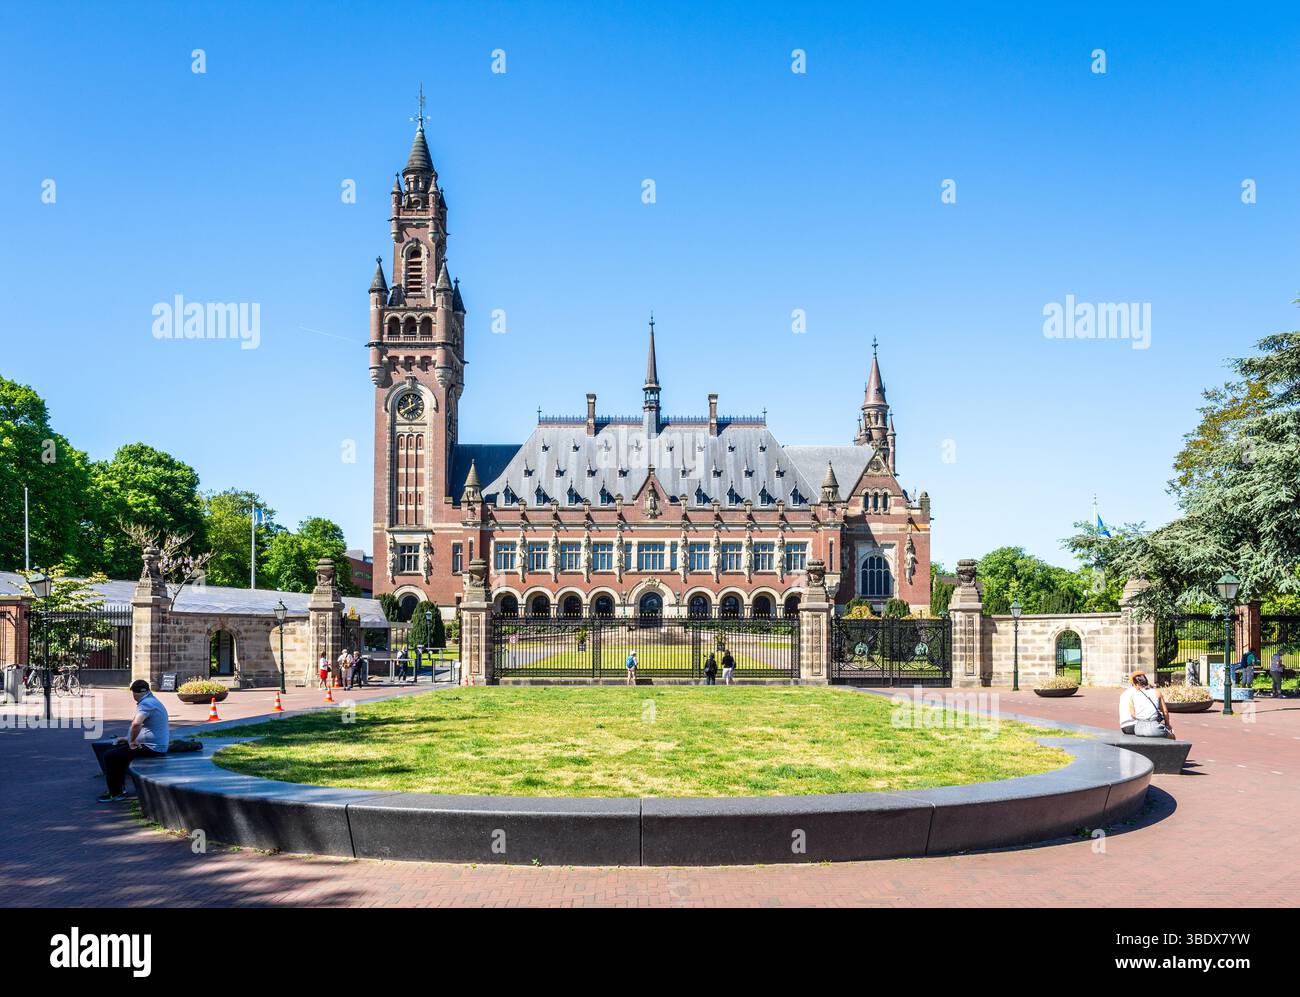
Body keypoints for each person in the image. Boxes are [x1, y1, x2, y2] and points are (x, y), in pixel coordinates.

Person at [98, 680, 170, 802]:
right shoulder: (152, 700)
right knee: (118, 752)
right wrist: (126, 739)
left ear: (134, 693)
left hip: (152, 747)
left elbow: (136, 724)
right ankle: (120, 788)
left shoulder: (146, 704)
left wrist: (131, 742)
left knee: (110, 756)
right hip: (154, 745)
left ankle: (115, 793)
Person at [1118, 672, 1174, 740]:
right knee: (1171, 736)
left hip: (1138, 728)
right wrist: (1167, 725)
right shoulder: (1156, 692)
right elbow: (1165, 711)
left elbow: (1133, 714)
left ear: (1135, 683)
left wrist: (1141, 718)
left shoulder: (1132, 695)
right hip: (1152, 726)